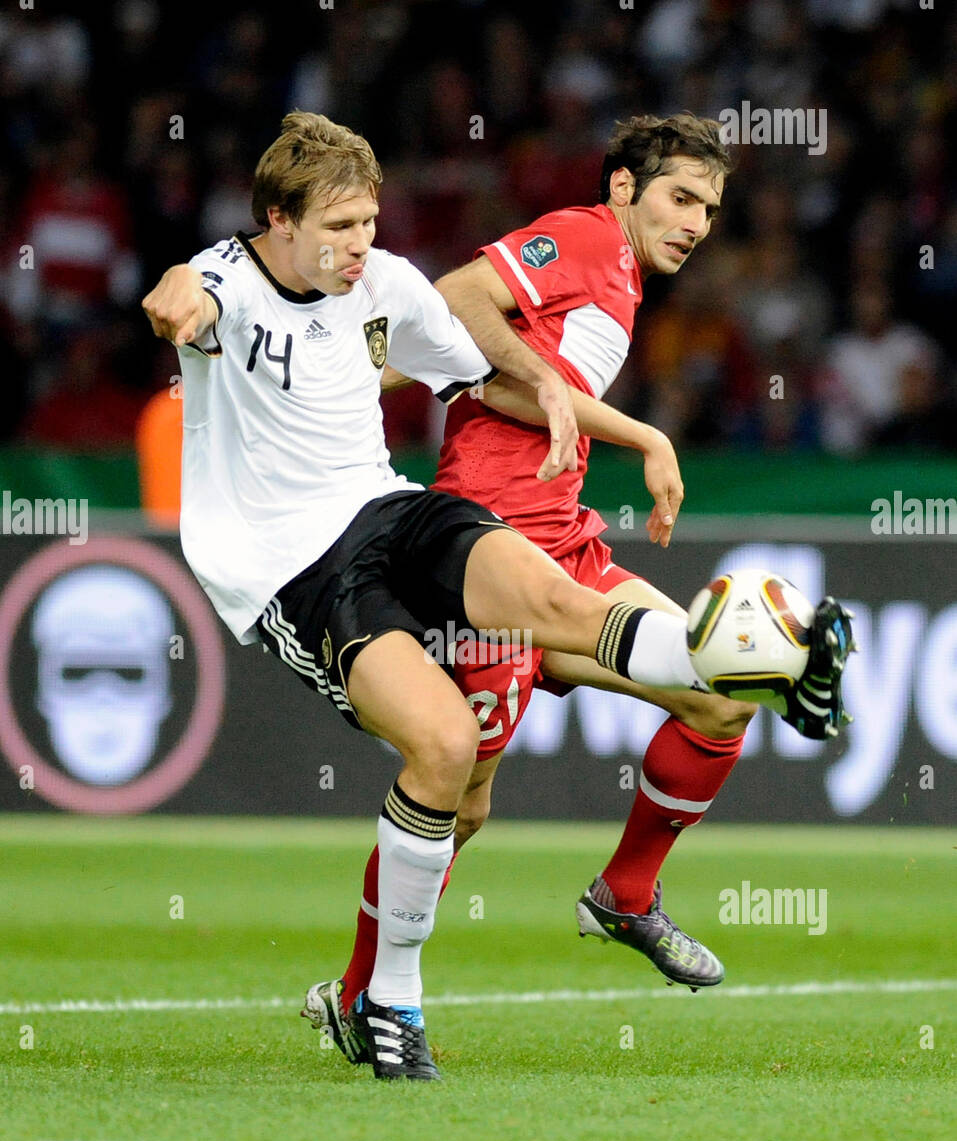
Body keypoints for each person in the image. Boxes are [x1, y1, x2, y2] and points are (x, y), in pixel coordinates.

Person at [143, 112, 852, 1081]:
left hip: (498, 526)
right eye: (680, 197)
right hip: (429, 529)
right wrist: (183, 300)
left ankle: (638, 869)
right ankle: (367, 990)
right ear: (621, 190)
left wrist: (557, 396)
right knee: (458, 785)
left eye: (709, 207)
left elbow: (462, 358)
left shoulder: (392, 281)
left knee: (706, 692)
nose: (696, 221)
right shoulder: (587, 238)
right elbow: (460, 296)